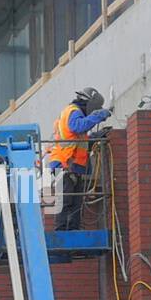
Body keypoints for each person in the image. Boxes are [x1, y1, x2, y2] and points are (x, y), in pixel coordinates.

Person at [47, 87, 111, 230]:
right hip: (65, 164)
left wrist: (96, 136)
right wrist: (98, 115)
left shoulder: (77, 115)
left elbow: (79, 138)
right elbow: (77, 127)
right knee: (66, 201)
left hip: (73, 167)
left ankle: (74, 230)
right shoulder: (73, 111)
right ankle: (61, 231)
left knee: (76, 202)